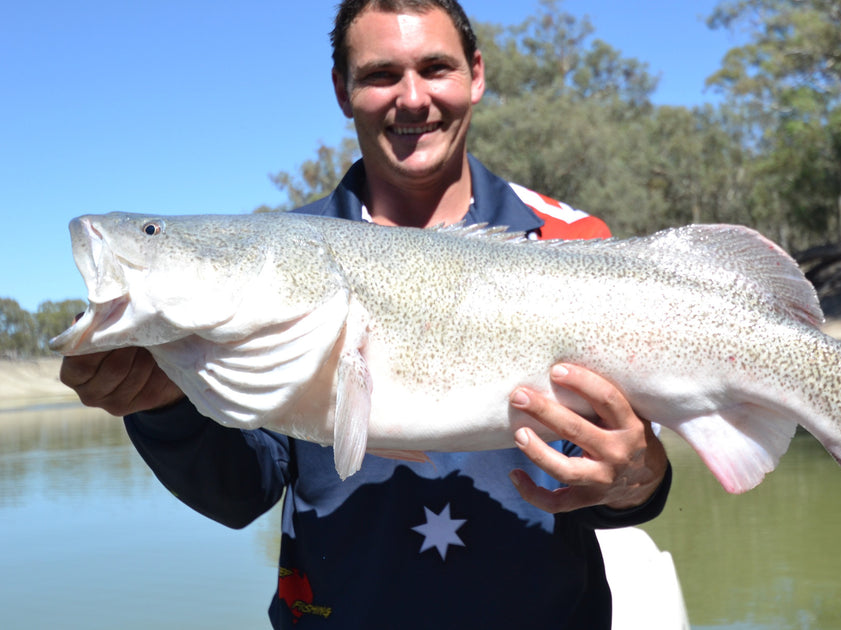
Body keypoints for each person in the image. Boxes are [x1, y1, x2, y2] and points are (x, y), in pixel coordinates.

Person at [59, 0, 670, 627]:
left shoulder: (574, 245)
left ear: (476, 75)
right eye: (381, 74)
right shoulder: (279, 258)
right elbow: (243, 493)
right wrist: (164, 408)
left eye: (435, 68)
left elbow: (609, 481)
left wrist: (641, 478)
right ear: (342, 90)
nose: (413, 98)